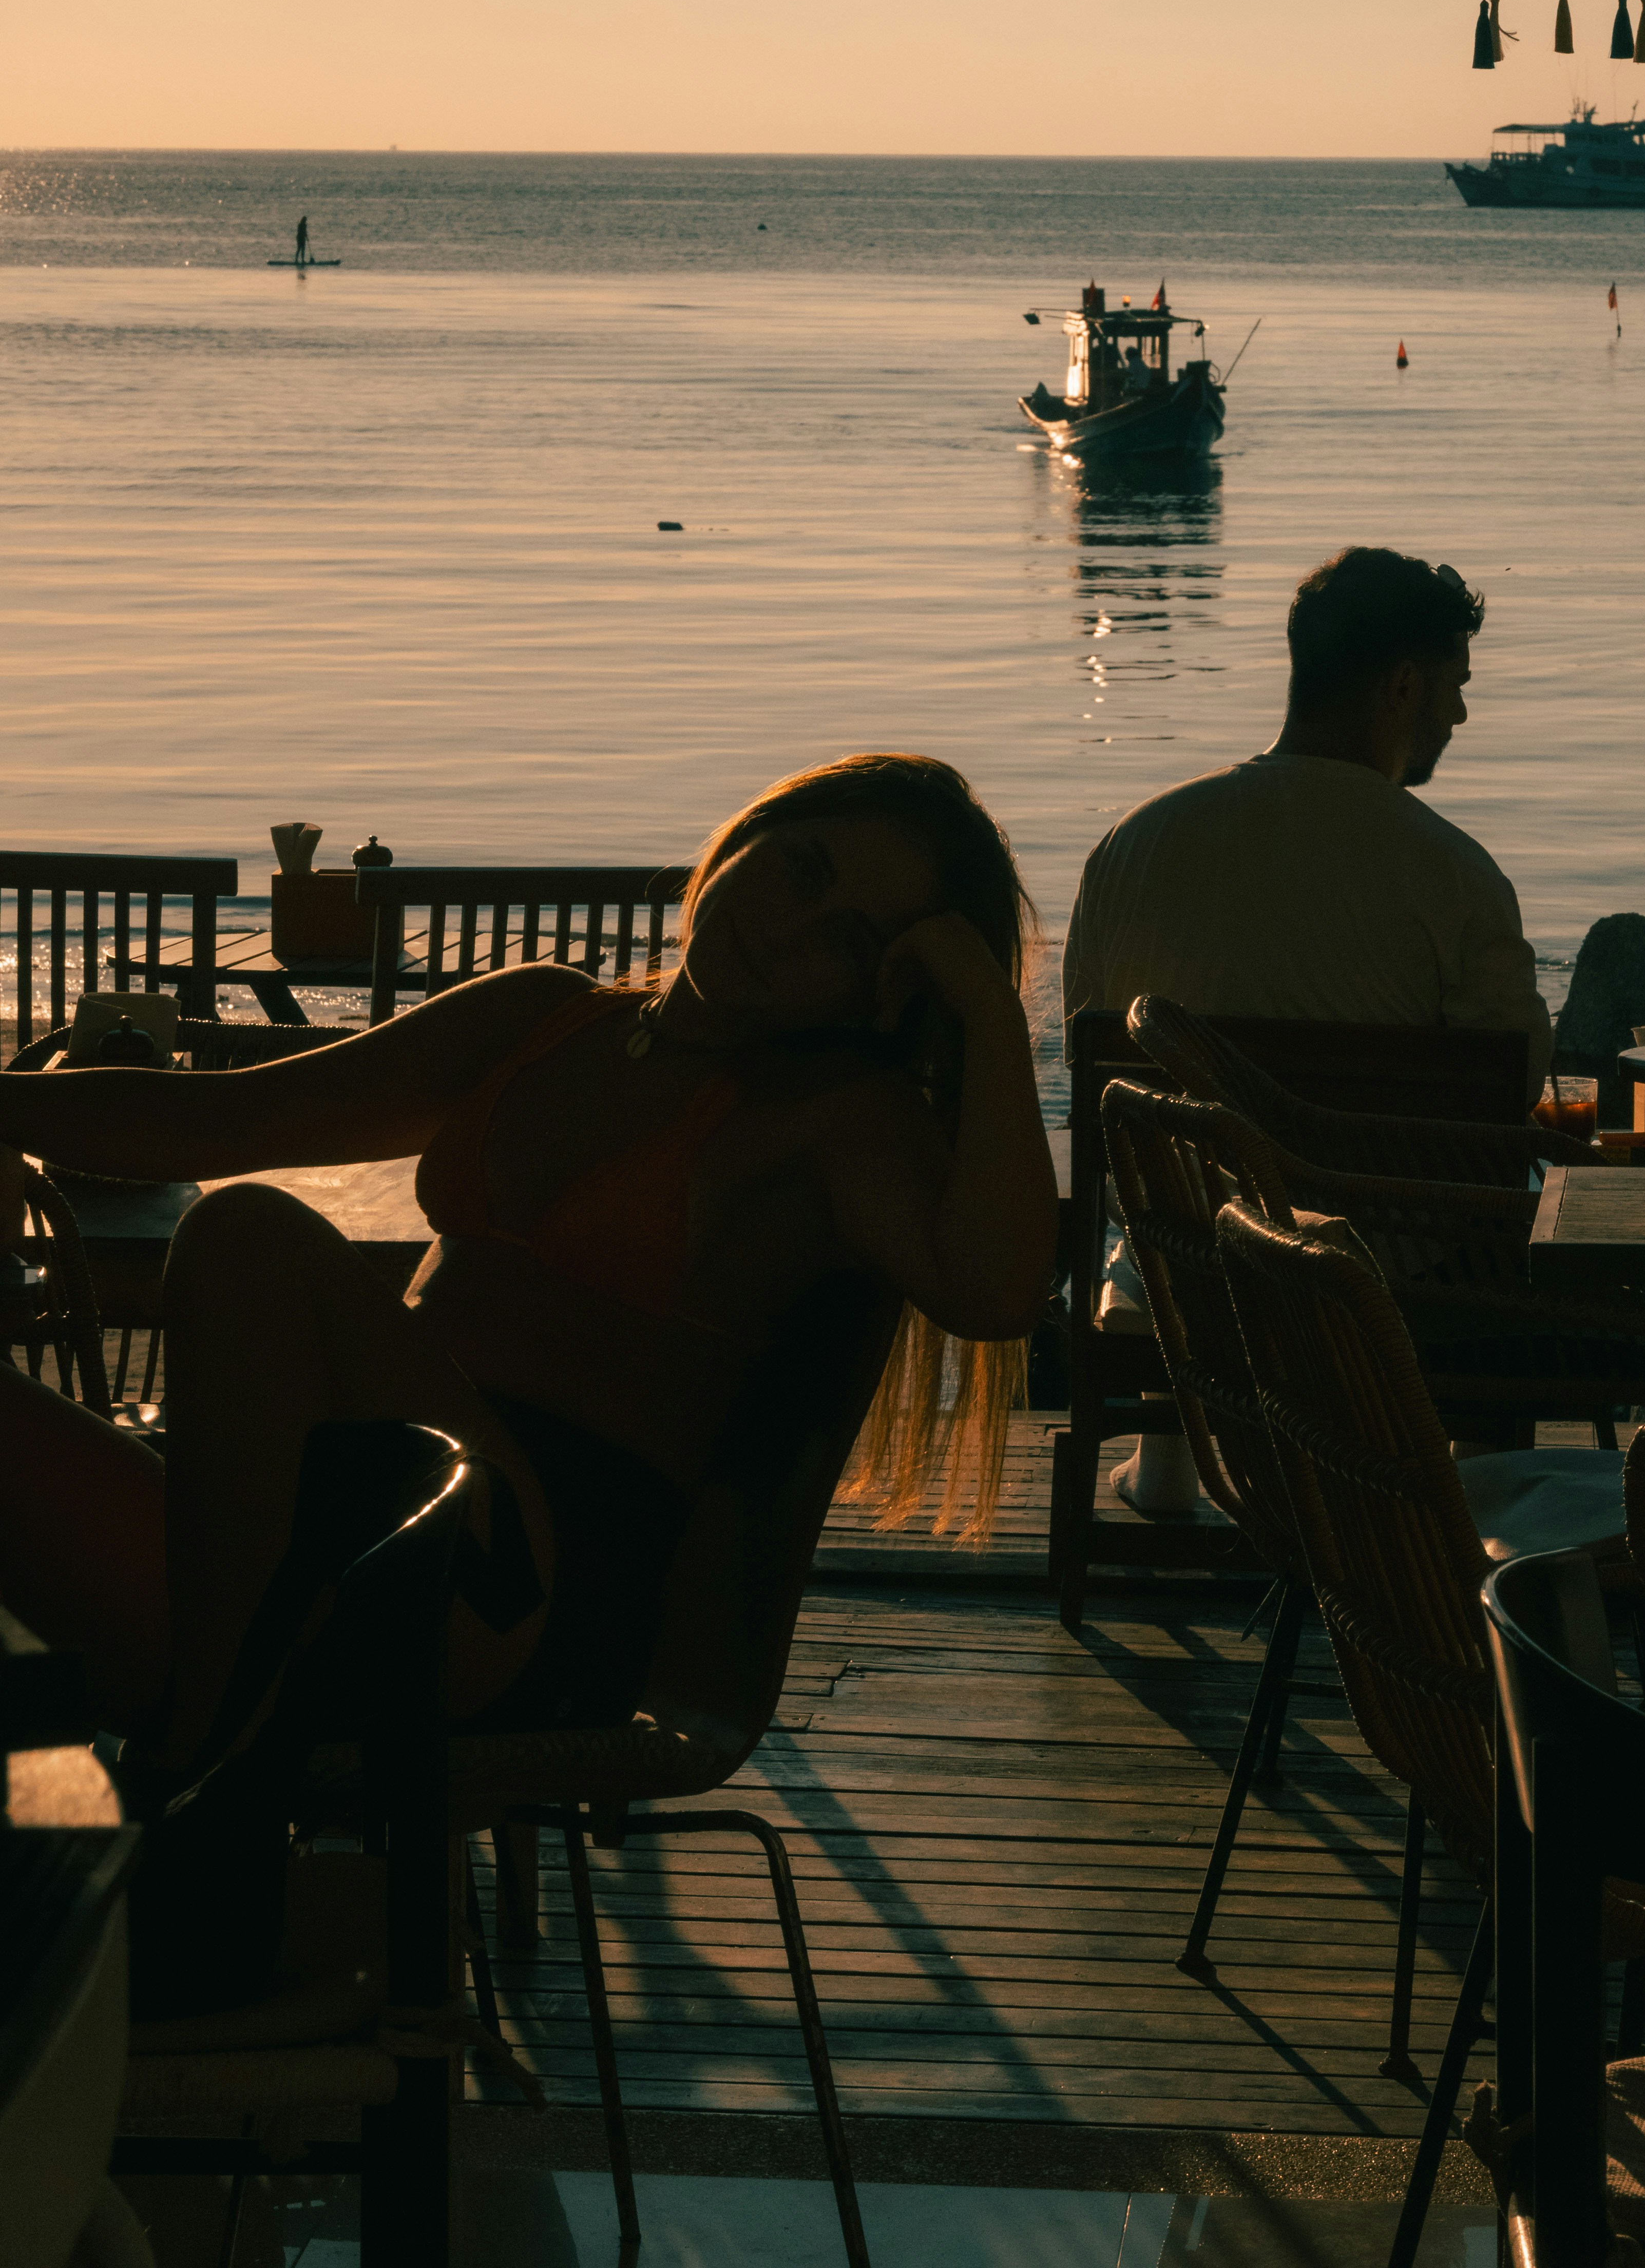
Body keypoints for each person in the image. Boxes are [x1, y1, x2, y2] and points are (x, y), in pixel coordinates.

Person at [0, 754, 1055, 1775]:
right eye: (799, 870)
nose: (787, 929)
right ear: (748, 834)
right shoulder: (541, 1017)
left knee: (246, 1238)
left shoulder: (831, 1124)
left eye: (847, 939)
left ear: (877, 997)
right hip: (322, 1533)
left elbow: (997, 1293)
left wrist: (986, 1011)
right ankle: (215, 1763)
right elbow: (218, 1123)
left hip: (511, 1593)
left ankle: (213, 1768)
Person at [1063, 546, 1551, 1508]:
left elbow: (1096, 1049)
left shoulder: (1135, 844)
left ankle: (1169, 1458)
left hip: (1185, 1255)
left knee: (1191, 1169)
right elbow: (1512, 1090)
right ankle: (1455, 1496)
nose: (1460, 712)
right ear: (1404, 685)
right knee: (1508, 1209)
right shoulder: (1450, 874)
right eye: (1455, 685)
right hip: (1388, 1278)